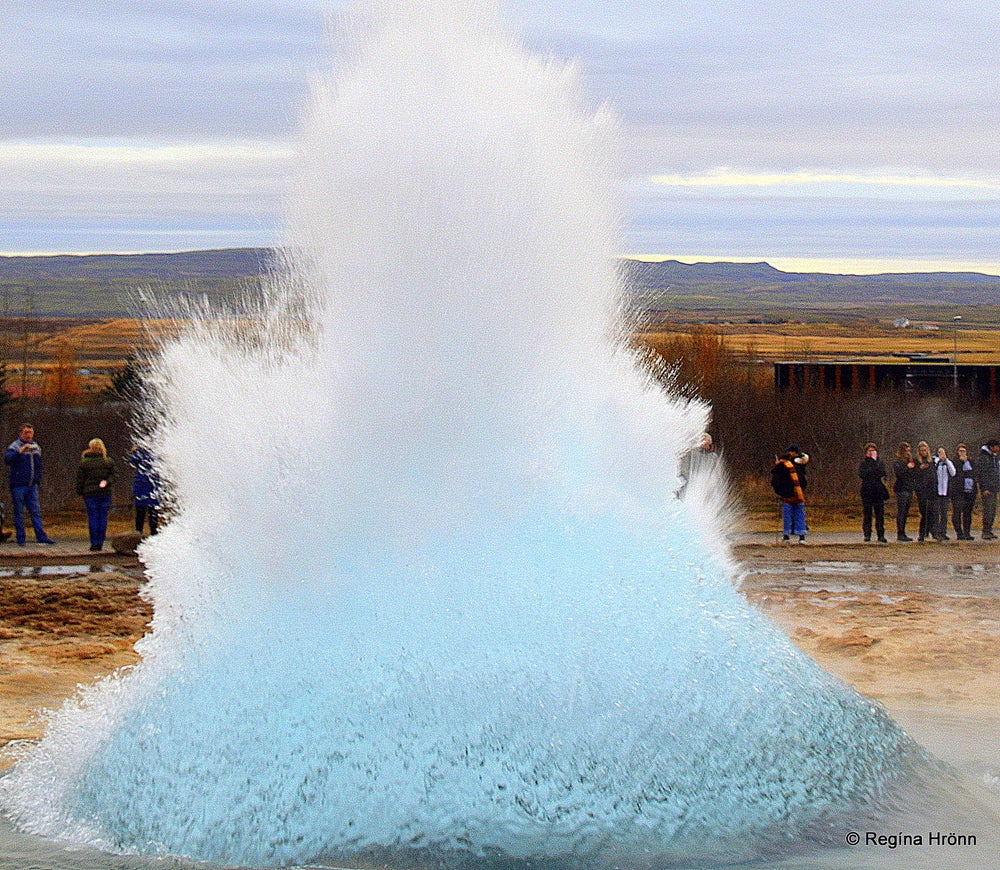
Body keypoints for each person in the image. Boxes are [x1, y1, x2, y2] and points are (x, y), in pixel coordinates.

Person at [4, 423, 56, 546]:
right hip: (18, 485)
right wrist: (20, 453)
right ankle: (21, 537)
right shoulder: (15, 446)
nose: (28, 435)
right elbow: (8, 460)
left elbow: (38, 464)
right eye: (26, 433)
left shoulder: (36, 447)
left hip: (32, 485)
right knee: (19, 512)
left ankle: (41, 536)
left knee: (35, 511)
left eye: (30, 433)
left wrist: (37, 479)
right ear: (21, 433)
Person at [76, 438, 115, 552]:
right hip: (105, 492)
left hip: (90, 493)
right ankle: (100, 542)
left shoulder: (84, 462)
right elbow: (114, 475)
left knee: (93, 517)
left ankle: (94, 543)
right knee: (102, 517)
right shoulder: (108, 461)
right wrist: (107, 481)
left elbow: (80, 479)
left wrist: (80, 491)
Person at [771, 444, 809, 542]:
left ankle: (786, 537)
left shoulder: (781, 466)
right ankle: (802, 537)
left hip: (787, 495)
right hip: (799, 494)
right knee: (800, 515)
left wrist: (780, 492)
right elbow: (803, 481)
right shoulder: (800, 465)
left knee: (787, 516)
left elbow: (775, 481)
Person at [858, 442, 889, 542]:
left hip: (878, 490)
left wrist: (875, 462)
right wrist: (870, 463)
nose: (871, 452)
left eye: (873, 450)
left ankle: (881, 534)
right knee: (867, 514)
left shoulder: (880, 462)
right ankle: (867, 534)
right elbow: (862, 474)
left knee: (880, 514)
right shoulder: (863, 463)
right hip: (867, 490)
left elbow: (881, 473)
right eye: (869, 451)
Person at [129, 445, 161, 535]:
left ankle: (138, 533)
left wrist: (135, 451)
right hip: (153, 485)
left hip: (141, 486)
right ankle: (154, 533)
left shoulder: (139, 454)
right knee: (153, 513)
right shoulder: (155, 454)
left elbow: (133, 460)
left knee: (140, 513)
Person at [950, 443, 977, 540]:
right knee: (957, 512)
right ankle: (959, 532)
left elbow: (974, 473)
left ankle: (967, 532)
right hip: (958, 491)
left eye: (964, 451)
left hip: (969, 491)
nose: (962, 453)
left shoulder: (971, 462)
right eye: (960, 451)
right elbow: (955, 475)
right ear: (957, 452)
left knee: (967, 513)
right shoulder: (954, 462)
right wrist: (961, 463)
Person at [891, 442, 916, 541]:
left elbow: (913, 474)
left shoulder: (910, 461)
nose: (908, 453)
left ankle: (904, 532)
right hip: (901, 489)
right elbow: (899, 474)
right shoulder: (898, 462)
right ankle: (900, 533)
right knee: (901, 512)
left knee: (905, 512)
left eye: (909, 451)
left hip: (909, 488)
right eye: (906, 451)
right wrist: (907, 467)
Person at [976, 440, 1000, 540]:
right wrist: (984, 488)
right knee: (988, 510)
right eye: (997, 447)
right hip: (988, 489)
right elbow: (983, 474)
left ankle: (989, 530)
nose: (998, 449)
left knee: (993, 510)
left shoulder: (993, 457)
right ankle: (985, 531)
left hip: (993, 488)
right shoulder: (984, 458)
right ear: (991, 447)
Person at [913, 441, 936, 542]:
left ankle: (932, 532)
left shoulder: (931, 461)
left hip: (930, 490)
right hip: (921, 489)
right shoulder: (916, 461)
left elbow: (933, 475)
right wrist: (919, 469)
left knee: (931, 512)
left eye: (925, 450)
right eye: (921, 450)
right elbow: (913, 475)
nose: (923, 452)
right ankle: (922, 533)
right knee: (924, 512)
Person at [932, 446, 955, 541]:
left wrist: (946, 461)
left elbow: (953, 473)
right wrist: (938, 461)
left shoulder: (948, 463)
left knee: (944, 514)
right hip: (937, 491)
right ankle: (936, 532)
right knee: (936, 513)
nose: (941, 454)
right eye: (939, 452)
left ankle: (943, 532)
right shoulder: (934, 462)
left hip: (945, 491)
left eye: (943, 452)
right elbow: (933, 472)